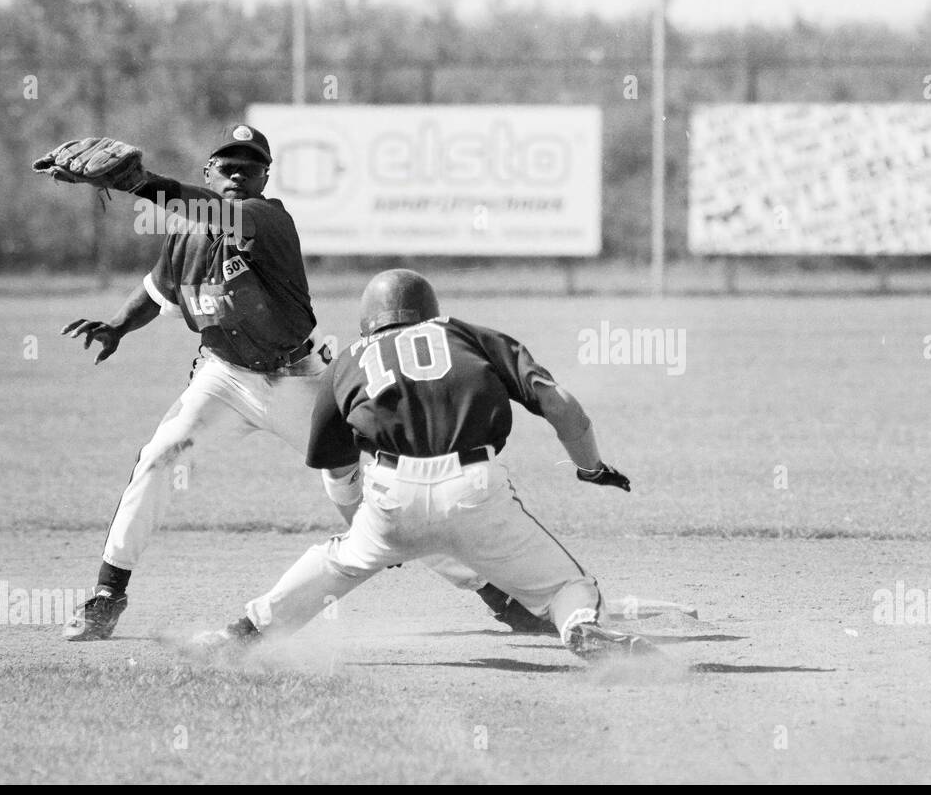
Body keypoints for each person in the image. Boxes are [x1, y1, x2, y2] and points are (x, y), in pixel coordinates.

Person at [44, 126, 545, 640]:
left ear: (265, 176)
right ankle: (108, 594)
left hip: (301, 381)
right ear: (208, 172)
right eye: (227, 164)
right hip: (223, 377)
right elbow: (158, 290)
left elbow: (214, 214)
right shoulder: (185, 233)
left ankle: (497, 595)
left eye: (251, 165)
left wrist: (140, 183)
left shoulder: (267, 219)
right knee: (159, 457)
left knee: (383, 497)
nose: (238, 173)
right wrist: (118, 326)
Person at [185, 269, 656, 663]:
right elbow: (560, 405)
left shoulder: (348, 360)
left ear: (368, 322)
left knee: (336, 560)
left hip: (392, 494)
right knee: (568, 586)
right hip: (474, 487)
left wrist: (369, 531)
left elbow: (335, 467)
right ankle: (577, 626)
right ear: (432, 310)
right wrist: (591, 467)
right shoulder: (470, 335)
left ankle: (244, 633)